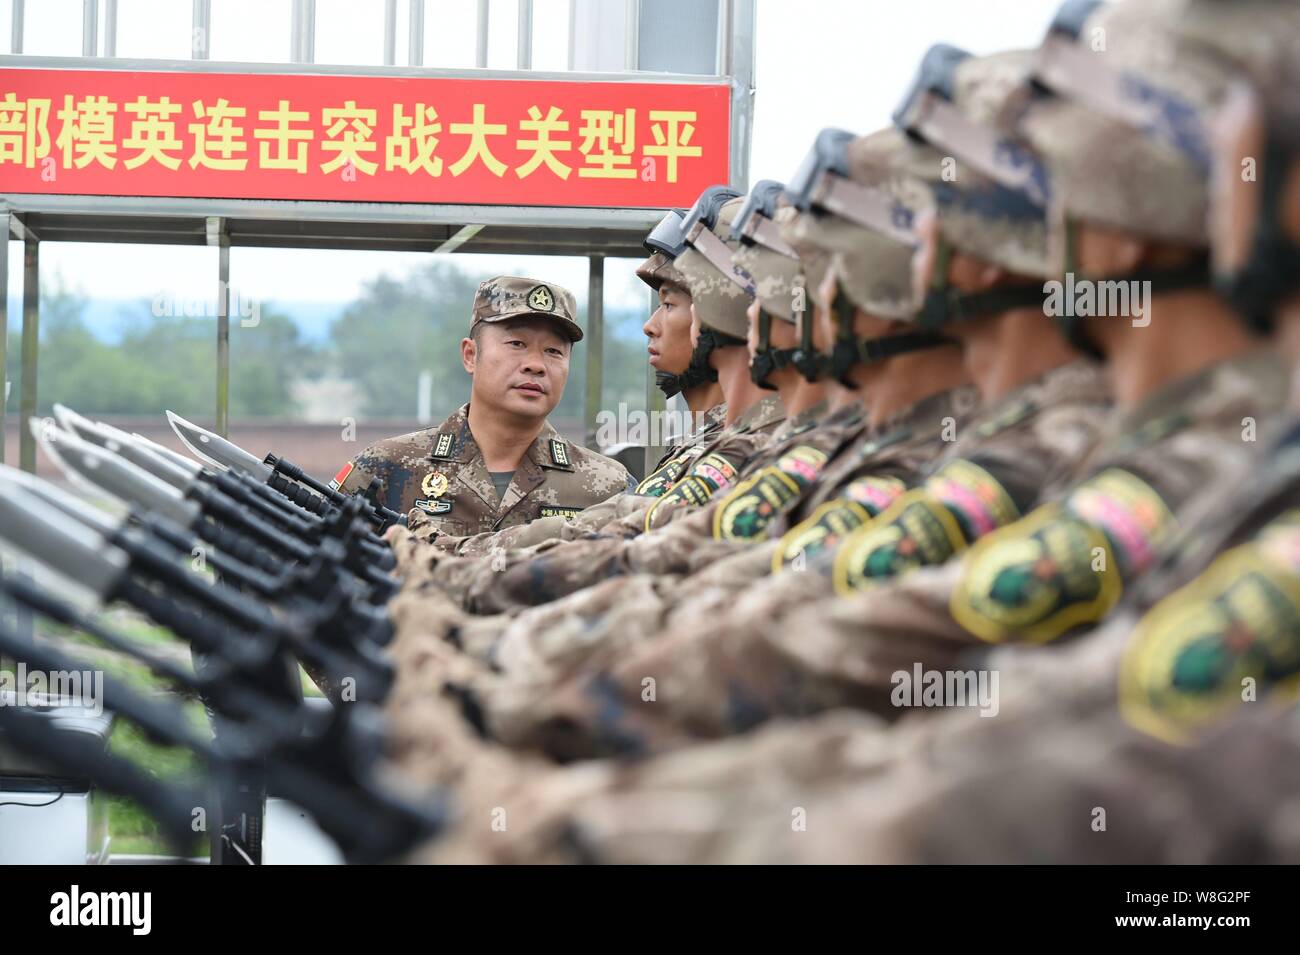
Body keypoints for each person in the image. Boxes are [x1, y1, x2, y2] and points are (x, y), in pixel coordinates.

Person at [331, 276, 634, 536]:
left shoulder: (608, 487)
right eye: (517, 344)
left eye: (554, 351)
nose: (536, 365)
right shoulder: (387, 467)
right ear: (470, 355)